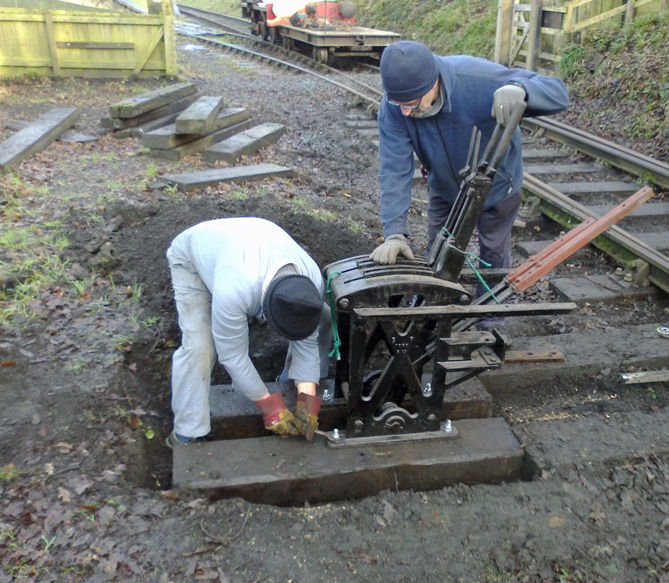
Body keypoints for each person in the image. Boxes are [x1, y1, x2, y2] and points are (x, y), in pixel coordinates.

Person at [371, 41, 570, 327]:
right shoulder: (394, 108)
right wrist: (394, 233)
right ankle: (434, 321)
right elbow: (394, 169)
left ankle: (490, 325)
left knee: (493, 256)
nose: (404, 111)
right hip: (445, 190)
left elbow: (558, 92)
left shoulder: (478, 78)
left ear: (433, 83)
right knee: (438, 254)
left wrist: (521, 90)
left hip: (498, 187)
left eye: (412, 103)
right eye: (398, 103)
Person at [164, 217, 331, 447]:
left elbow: (307, 343)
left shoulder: (312, 282)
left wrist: (307, 401)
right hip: (192, 258)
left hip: (243, 248)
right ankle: (186, 433)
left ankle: (286, 383)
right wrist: (270, 408)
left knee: (325, 316)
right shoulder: (235, 289)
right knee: (200, 347)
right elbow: (232, 356)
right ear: (264, 311)